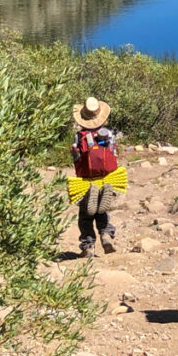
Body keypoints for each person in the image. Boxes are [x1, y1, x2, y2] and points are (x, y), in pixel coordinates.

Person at [71, 96, 118, 258]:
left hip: (85, 180)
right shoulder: (109, 134)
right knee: (101, 211)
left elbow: (75, 159)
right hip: (107, 177)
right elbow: (114, 154)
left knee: (85, 215)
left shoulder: (79, 136)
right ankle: (106, 234)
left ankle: (88, 245)